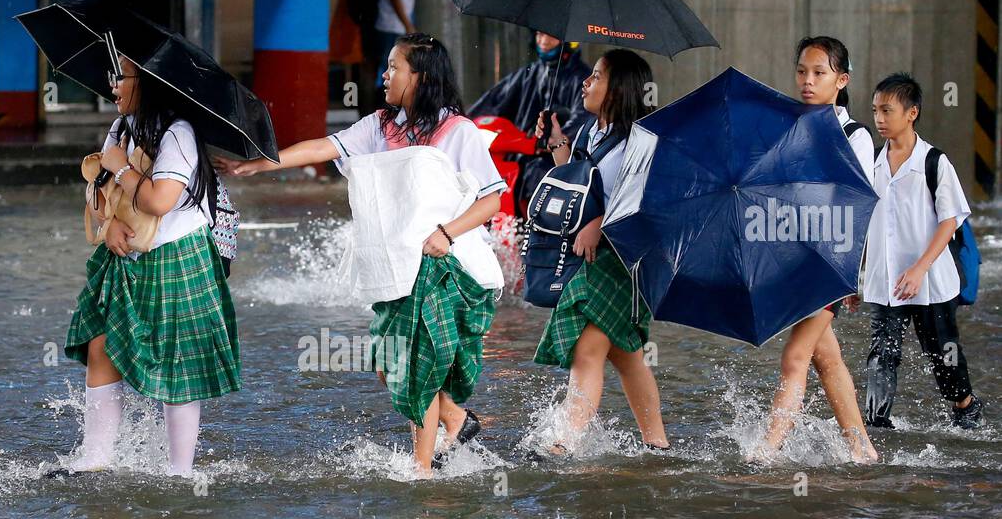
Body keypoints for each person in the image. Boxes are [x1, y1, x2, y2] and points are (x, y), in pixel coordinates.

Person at [214, 33, 505, 477]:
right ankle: (458, 420)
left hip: (443, 267)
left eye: (393, 67)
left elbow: (491, 200)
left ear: (420, 76)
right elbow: (321, 147)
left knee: (415, 366)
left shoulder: (457, 132)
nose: (384, 75)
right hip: (396, 267)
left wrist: (446, 232)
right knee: (389, 365)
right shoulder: (381, 126)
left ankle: (421, 472)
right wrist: (254, 164)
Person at [60, 55, 240, 477]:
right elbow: (99, 191)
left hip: (177, 254)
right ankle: (95, 461)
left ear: (150, 81)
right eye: (112, 76)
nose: (113, 86)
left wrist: (121, 165)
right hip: (128, 255)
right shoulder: (121, 128)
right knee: (100, 341)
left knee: (176, 360)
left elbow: (159, 199)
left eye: (121, 77)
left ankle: (180, 471)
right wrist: (108, 227)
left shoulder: (179, 134)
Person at [533, 49, 669, 452]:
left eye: (596, 76)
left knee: (588, 347)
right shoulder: (590, 132)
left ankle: (565, 441)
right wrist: (557, 142)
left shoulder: (641, 143)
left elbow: (643, 203)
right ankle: (657, 444)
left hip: (624, 259)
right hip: (590, 257)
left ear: (620, 88)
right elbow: (577, 180)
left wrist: (598, 224)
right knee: (626, 352)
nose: (585, 82)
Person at [751, 37, 879, 463]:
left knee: (796, 355)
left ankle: (767, 451)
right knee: (828, 358)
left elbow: (856, 204)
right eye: (802, 72)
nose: (808, 81)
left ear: (841, 80)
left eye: (819, 74)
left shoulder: (855, 136)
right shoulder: (790, 128)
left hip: (827, 261)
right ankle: (863, 450)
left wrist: (854, 271)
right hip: (791, 255)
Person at [863, 72, 983, 429]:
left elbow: (950, 222)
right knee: (881, 357)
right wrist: (855, 274)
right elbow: (865, 223)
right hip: (885, 281)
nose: (880, 119)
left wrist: (919, 269)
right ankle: (876, 429)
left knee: (943, 357)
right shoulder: (870, 162)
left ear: (911, 113)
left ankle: (965, 408)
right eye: (875, 111)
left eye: (887, 111)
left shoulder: (934, 162)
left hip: (931, 282)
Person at [470, 32, 590, 209]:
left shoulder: (581, 78)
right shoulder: (528, 74)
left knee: (538, 172)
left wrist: (551, 139)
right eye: (540, 34)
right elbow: (491, 103)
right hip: (522, 151)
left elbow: (583, 118)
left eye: (552, 36)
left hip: (556, 158)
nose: (544, 41)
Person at [372, 0, 417, 86]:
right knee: (388, 72)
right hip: (390, 24)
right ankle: (383, 102)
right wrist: (407, 24)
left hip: (403, 25)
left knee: (398, 71)